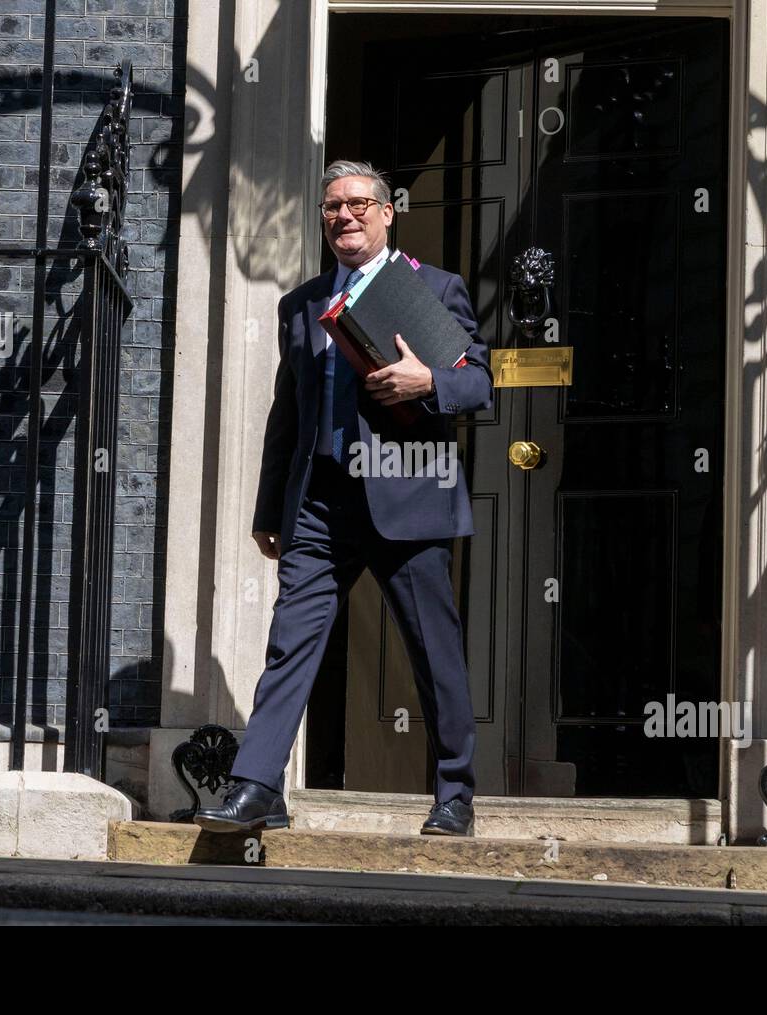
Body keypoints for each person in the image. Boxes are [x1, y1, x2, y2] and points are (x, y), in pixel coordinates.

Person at [192, 159, 494, 836]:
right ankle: (257, 786)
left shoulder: (433, 288)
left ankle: (455, 796)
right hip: (320, 502)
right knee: (289, 643)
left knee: (432, 649)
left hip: (406, 492)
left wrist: (429, 383)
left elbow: (480, 380)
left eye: (359, 203)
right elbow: (287, 413)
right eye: (332, 206)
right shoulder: (299, 304)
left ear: (388, 213)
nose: (344, 215)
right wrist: (271, 509)